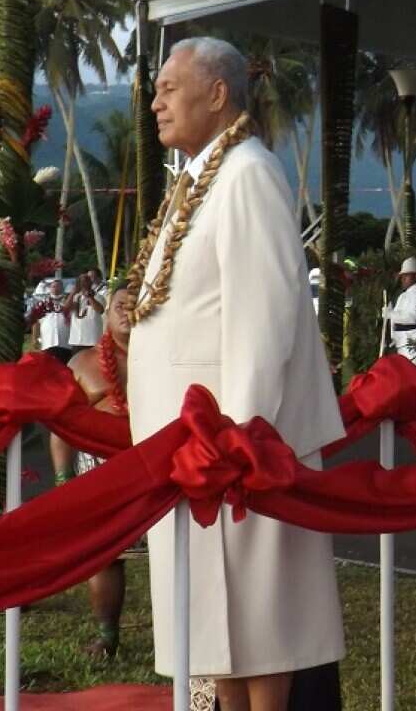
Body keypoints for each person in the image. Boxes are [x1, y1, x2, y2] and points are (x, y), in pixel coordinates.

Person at [126, 36, 344, 710]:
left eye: (168, 86)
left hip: (232, 452)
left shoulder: (246, 173)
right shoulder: (199, 177)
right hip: (194, 453)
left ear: (218, 94)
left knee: (256, 625)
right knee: (217, 630)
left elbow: (263, 318)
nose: (155, 99)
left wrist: (244, 442)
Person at [49, 286, 136, 657]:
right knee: (105, 556)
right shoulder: (82, 363)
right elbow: (62, 426)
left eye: (135, 305)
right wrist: (63, 480)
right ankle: (107, 636)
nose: (127, 311)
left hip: (157, 461)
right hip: (98, 466)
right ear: (105, 314)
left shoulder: (168, 358)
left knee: (178, 553)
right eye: (119, 305)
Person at [389, 257, 416, 370]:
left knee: (415, 374)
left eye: (406, 276)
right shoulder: (403, 295)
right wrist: (393, 336)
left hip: (413, 342)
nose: (402, 279)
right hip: (402, 341)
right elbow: (396, 318)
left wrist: (390, 314)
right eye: (402, 276)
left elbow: (412, 318)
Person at [66, 269, 107, 350]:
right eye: (81, 281)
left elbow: (100, 310)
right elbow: (66, 308)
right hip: (76, 340)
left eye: (86, 281)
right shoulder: (75, 296)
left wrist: (89, 296)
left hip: (92, 339)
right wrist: (73, 292)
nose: (83, 284)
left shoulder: (98, 296)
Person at [34, 278, 70, 350]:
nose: (56, 288)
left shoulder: (68, 302)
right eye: (53, 286)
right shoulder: (42, 304)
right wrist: (35, 339)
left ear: (63, 288)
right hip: (48, 342)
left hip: (66, 343)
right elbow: (36, 323)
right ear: (50, 288)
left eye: (58, 286)